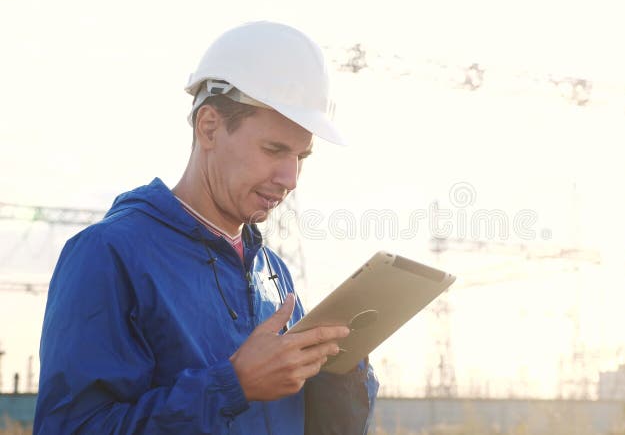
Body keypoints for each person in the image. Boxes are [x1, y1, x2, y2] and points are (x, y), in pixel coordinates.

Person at [34, 21, 379, 434]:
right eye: (274, 149)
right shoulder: (108, 255)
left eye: (301, 157)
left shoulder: (274, 274)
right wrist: (232, 387)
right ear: (209, 127)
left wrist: (343, 371)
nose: (290, 179)